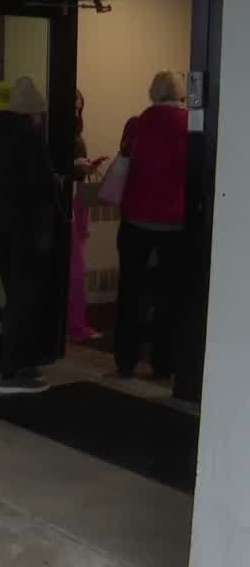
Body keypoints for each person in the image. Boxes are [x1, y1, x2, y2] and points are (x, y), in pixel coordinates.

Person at [0, 76, 57, 394]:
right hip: (25, 230)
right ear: (32, 113)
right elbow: (40, 189)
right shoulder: (30, 143)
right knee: (24, 299)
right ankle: (14, 370)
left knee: (15, 294)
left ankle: (18, 364)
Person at [115, 71, 188, 381]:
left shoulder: (137, 124)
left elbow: (123, 165)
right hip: (175, 221)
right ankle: (165, 360)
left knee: (130, 289)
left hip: (136, 218)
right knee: (171, 294)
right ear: (180, 92)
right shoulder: (189, 125)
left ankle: (125, 359)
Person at [68, 90, 107, 343]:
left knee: (76, 264)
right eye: (74, 107)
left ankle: (74, 322)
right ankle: (76, 323)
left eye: (80, 108)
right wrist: (77, 166)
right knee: (76, 268)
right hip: (69, 201)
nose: (77, 112)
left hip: (77, 200)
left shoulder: (71, 134)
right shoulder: (58, 135)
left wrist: (86, 166)